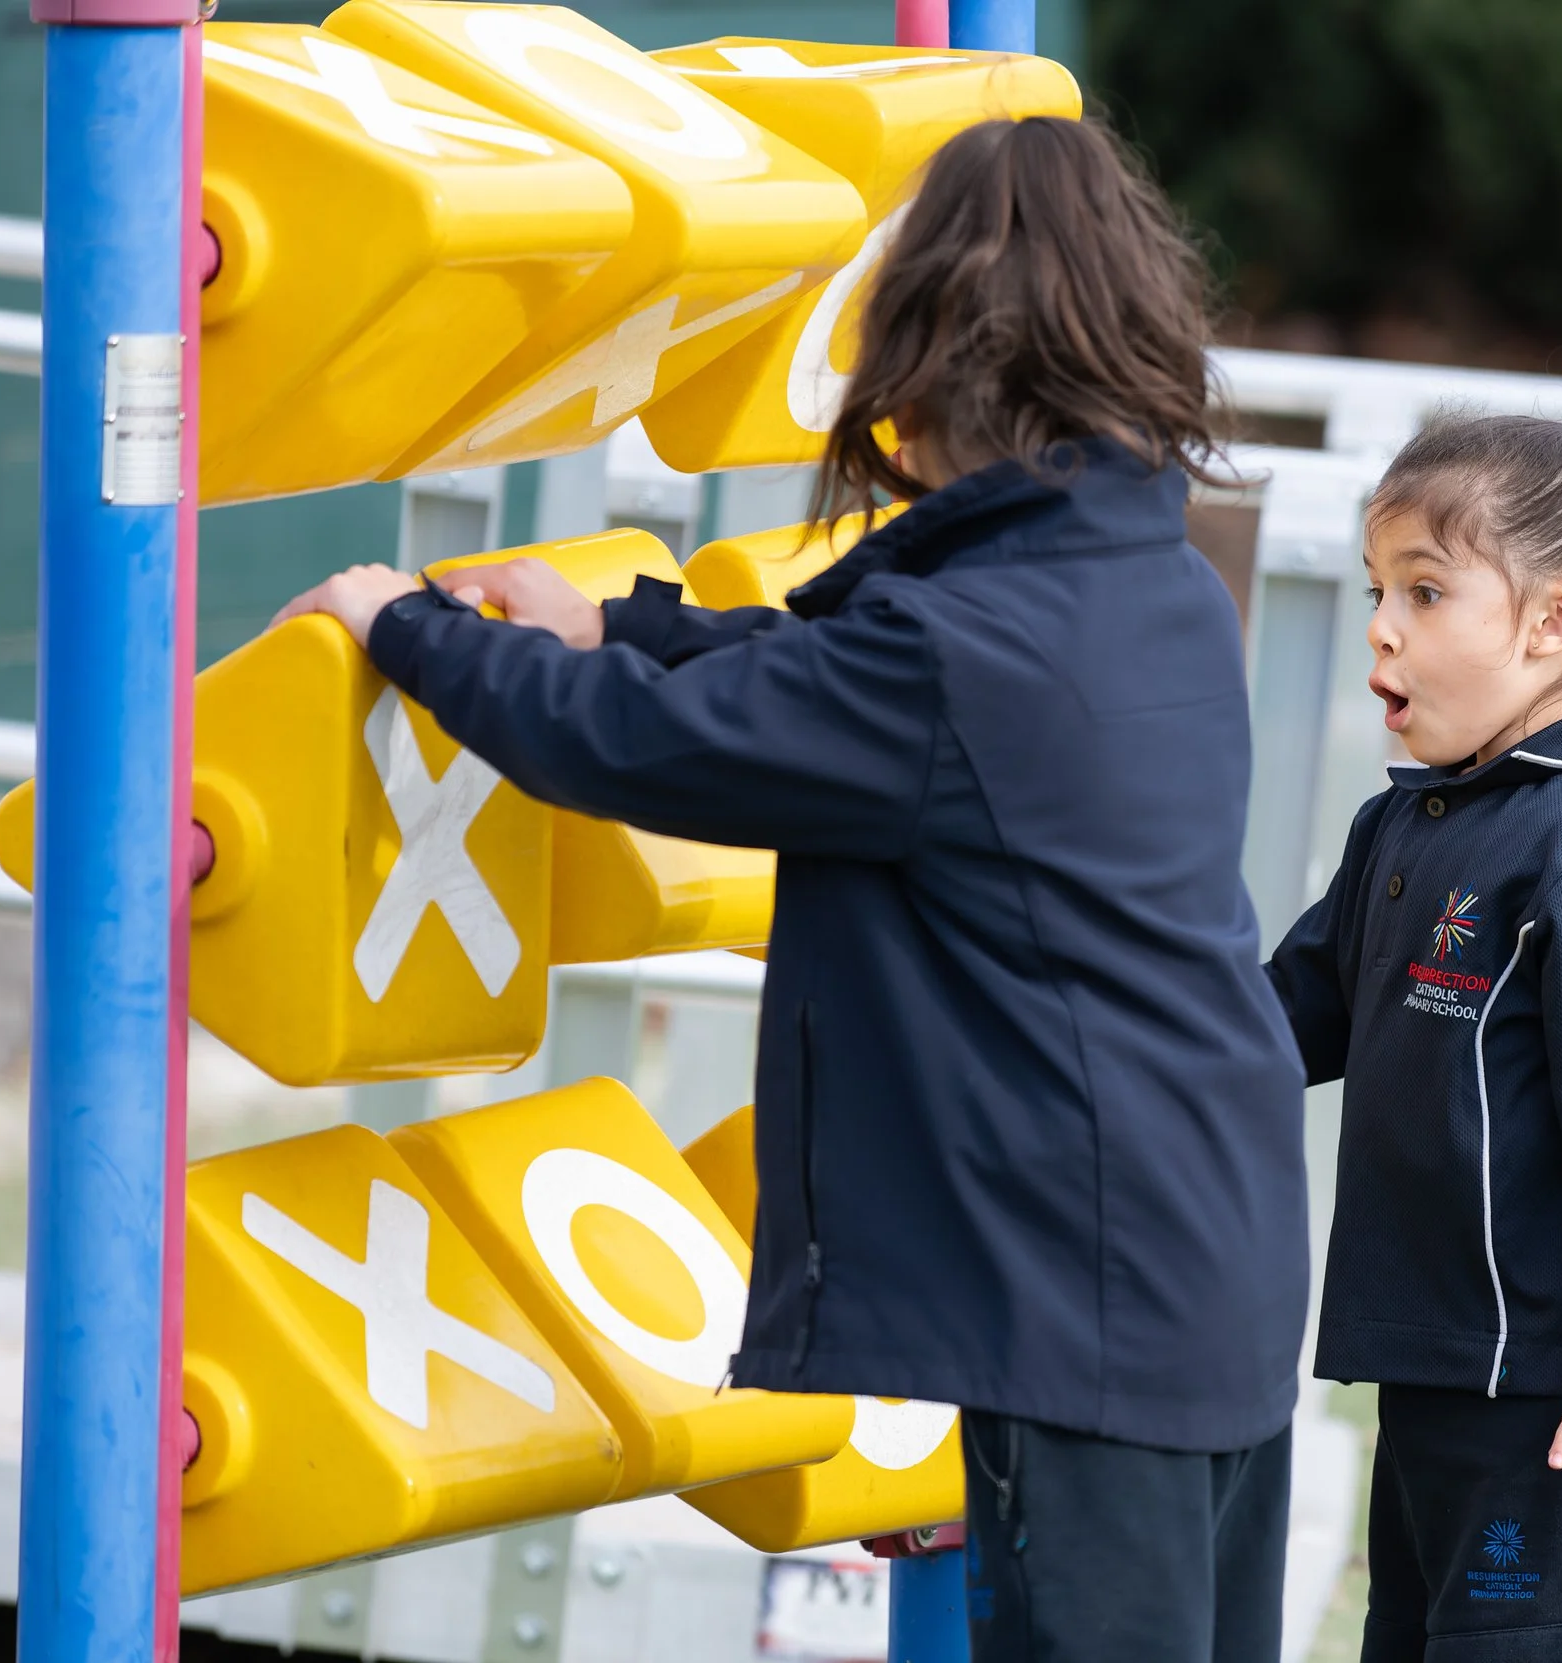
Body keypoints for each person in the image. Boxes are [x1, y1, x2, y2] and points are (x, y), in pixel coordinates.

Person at [275, 116, 1309, 1663]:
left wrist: (407, 628)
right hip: (1209, 1258)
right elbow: (840, 689)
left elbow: (640, 748)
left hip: (1081, 1308)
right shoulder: (1150, 586)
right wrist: (620, 621)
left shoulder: (955, 654)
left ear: (922, 375)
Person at [1267, 406, 1562, 1663]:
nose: (1383, 625)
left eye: (1426, 589)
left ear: (1552, 623)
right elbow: (1287, 1015)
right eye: (1376, 590)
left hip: (1552, 1395)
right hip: (1425, 1358)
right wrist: (1113, 1034)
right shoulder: (1399, 830)